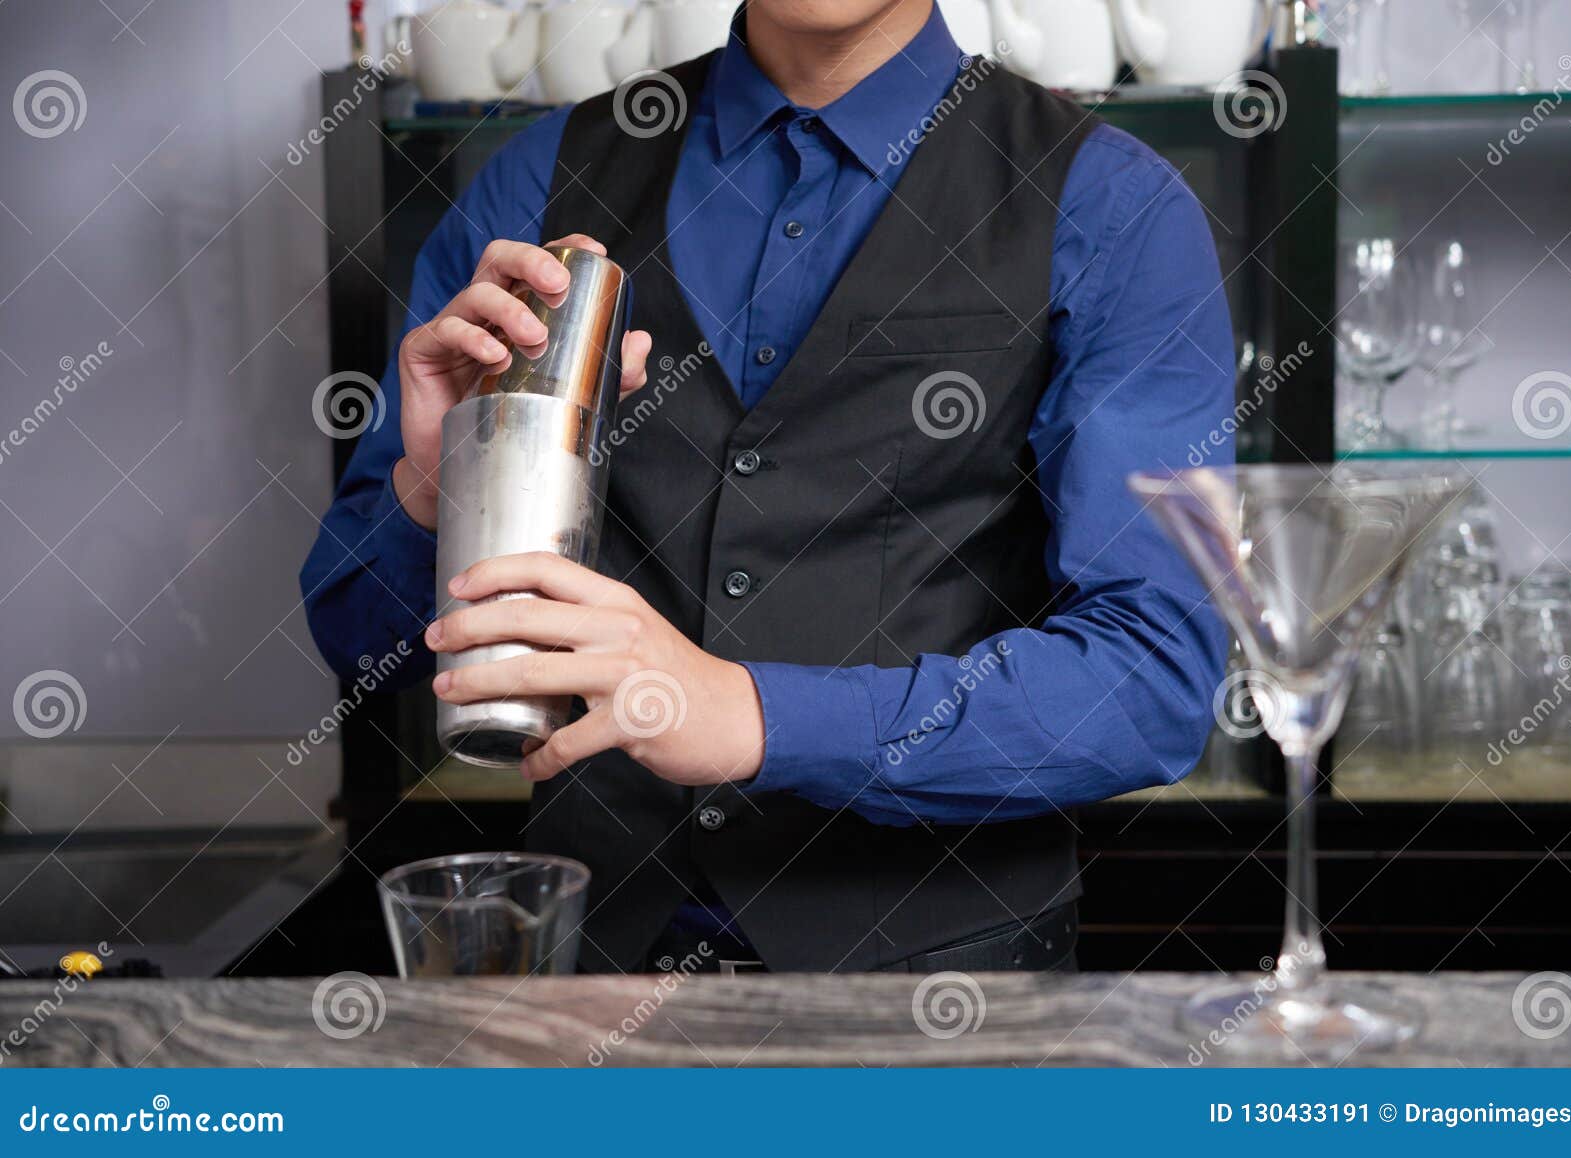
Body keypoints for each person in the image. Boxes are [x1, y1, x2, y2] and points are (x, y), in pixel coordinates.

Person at [302, 0, 1235, 974]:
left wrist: (753, 716)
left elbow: (1151, 684)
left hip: (943, 1003)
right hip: (588, 982)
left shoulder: (1114, 205)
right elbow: (354, 636)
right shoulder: (533, 185)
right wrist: (440, 490)